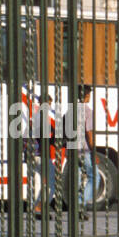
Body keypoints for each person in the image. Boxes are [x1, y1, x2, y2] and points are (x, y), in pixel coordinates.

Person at [62, 85, 96, 216]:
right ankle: (79, 204)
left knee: (76, 179)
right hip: (83, 150)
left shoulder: (70, 111)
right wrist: (93, 152)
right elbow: (89, 134)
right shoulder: (87, 111)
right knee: (95, 177)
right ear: (87, 96)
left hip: (71, 149)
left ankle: (76, 207)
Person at [29, 92, 58, 214]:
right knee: (52, 182)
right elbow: (45, 138)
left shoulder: (35, 117)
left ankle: (34, 207)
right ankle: (39, 206)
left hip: (33, 155)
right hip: (43, 155)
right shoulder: (43, 119)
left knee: (38, 182)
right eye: (49, 104)